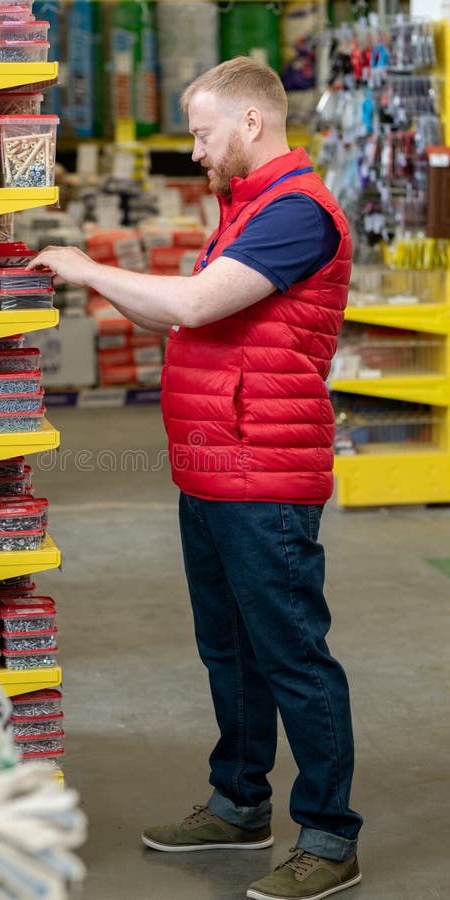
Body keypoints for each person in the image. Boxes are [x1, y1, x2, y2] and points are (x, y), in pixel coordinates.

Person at [27, 56, 363, 900]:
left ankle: (329, 836)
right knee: (231, 652)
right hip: (213, 469)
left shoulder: (297, 214)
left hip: (265, 477)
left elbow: (191, 306)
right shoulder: (245, 211)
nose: (196, 152)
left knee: (292, 656)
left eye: (204, 134)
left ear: (251, 123)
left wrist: (88, 266)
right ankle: (239, 803)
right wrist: (101, 289)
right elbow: (177, 306)